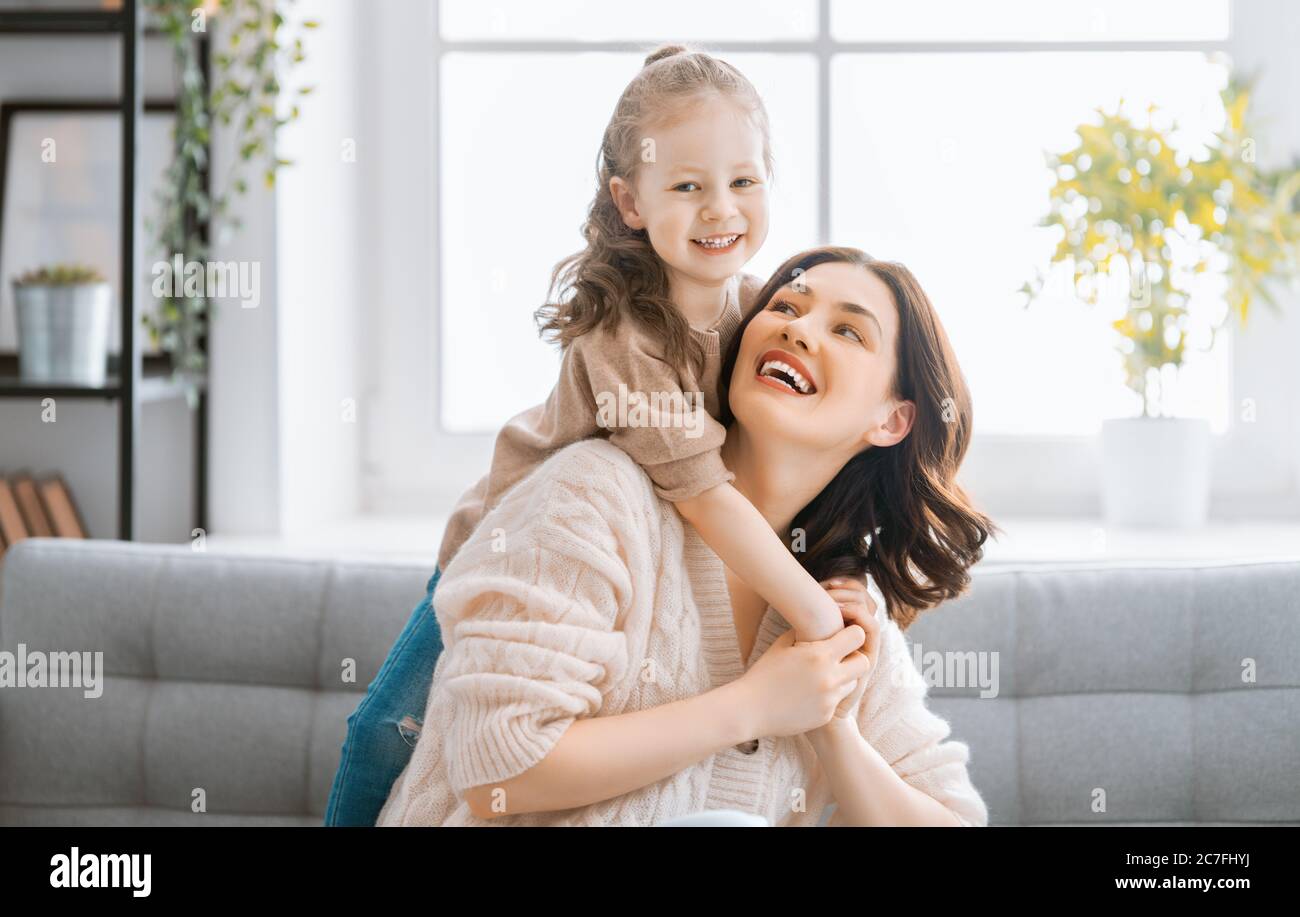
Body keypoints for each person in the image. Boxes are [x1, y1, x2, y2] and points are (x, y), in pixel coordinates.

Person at [326, 43, 853, 826]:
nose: (721, 209)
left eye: (744, 181)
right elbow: (706, 497)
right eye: (687, 186)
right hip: (506, 553)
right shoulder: (624, 335)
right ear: (630, 201)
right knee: (379, 732)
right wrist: (814, 613)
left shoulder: (755, 311)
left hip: (617, 561)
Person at [377, 246, 999, 826]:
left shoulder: (844, 619)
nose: (797, 328)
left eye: (847, 331)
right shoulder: (596, 495)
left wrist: (833, 725)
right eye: (785, 305)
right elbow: (495, 768)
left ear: (892, 419)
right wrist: (752, 706)